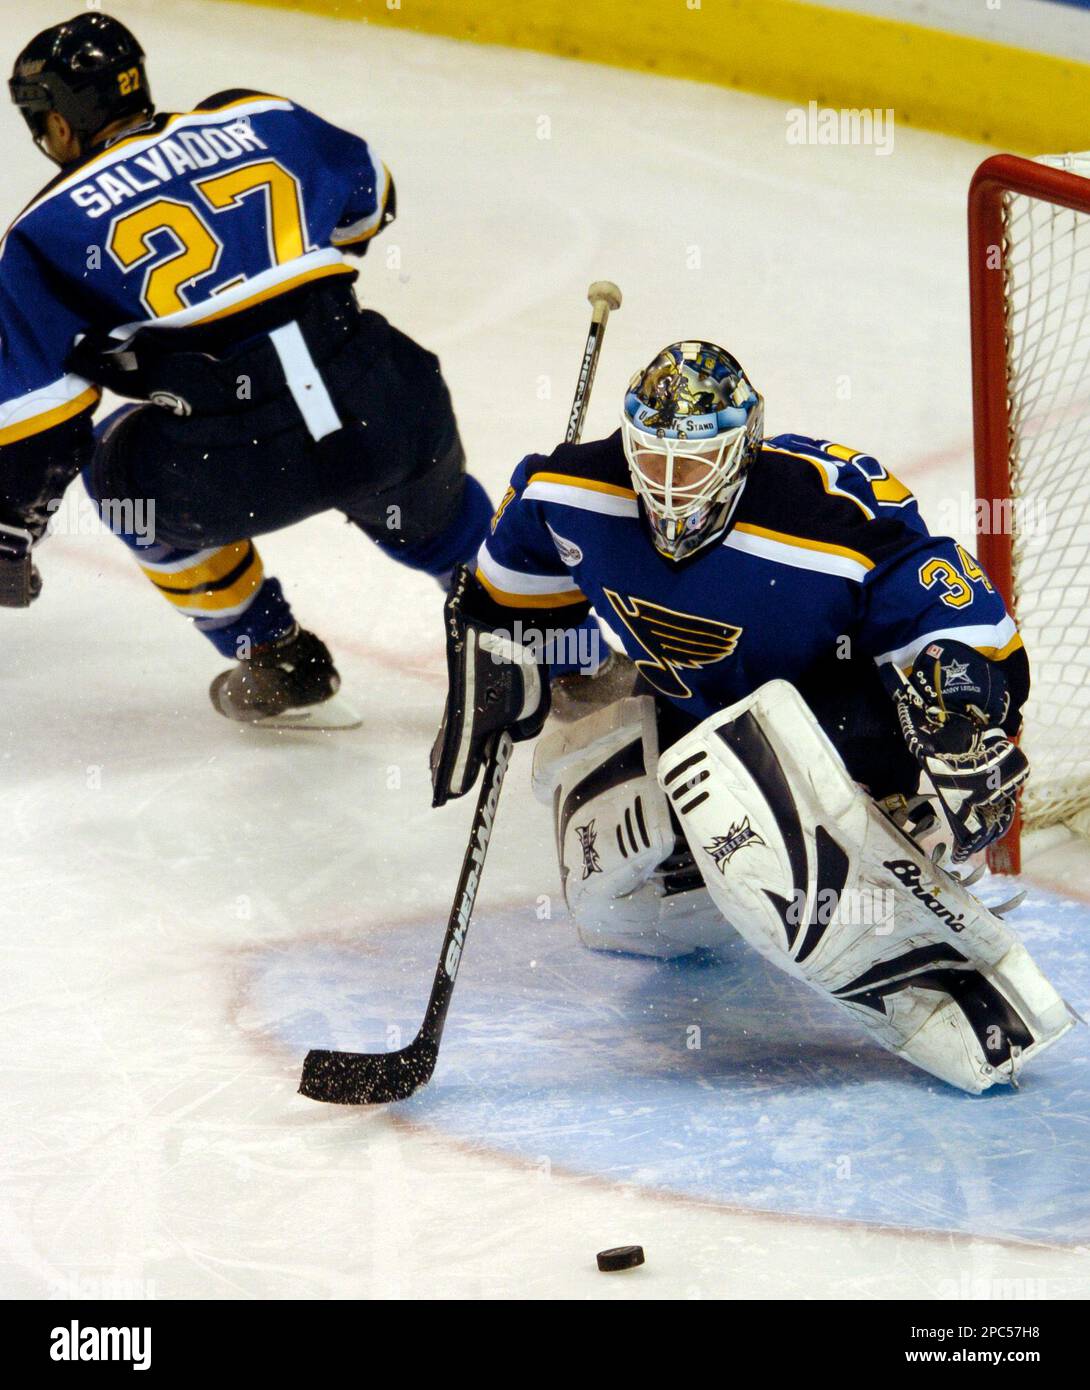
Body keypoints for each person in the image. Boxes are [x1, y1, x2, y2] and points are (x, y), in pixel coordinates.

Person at [428, 340, 1073, 1092]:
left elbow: (964, 622)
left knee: (752, 801)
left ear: (742, 450)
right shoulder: (565, 494)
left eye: (693, 465)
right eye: (653, 460)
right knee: (614, 897)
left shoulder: (829, 516)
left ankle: (923, 949)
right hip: (692, 716)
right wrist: (502, 665)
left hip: (838, 736)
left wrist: (964, 710)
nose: (668, 489)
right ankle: (734, 870)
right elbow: (507, 603)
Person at [0, 13, 492, 725]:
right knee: (415, 492)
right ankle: (558, 651)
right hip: (385, 409)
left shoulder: (43, 232)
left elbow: (41, 422)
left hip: (228, 471)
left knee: (116, 473)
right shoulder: (259, 114)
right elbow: (370, 204)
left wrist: (11, 530)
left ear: (62, 124)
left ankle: (274, 657)